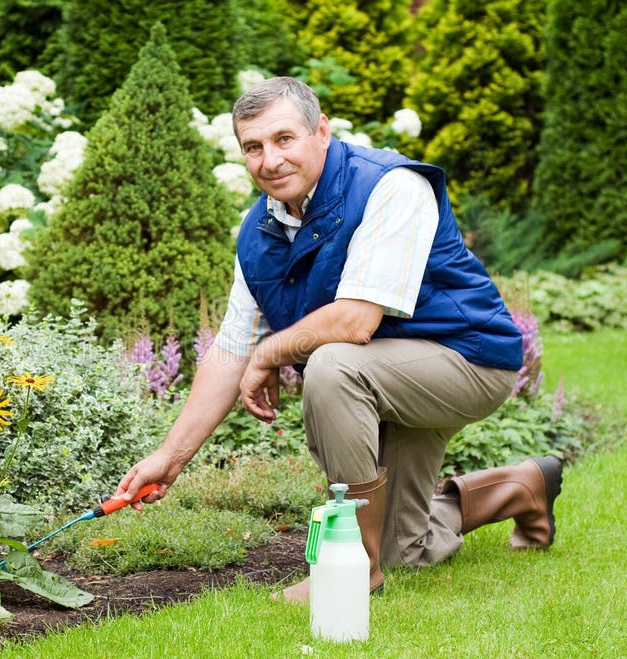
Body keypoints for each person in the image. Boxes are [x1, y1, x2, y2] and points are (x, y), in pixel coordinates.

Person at [115, 76, 563, 600]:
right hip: (385, 373)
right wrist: (171, 457)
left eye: (285, 139)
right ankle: (521, 487)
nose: (270, 160)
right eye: (253, 147)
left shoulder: (390, 185)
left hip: (467, 360)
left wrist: (272, 352)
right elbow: (232, 348)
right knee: (406, 548)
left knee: (331, 366)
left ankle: (352, 566)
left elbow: (354, 323)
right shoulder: (259, 230)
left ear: (321, 132)